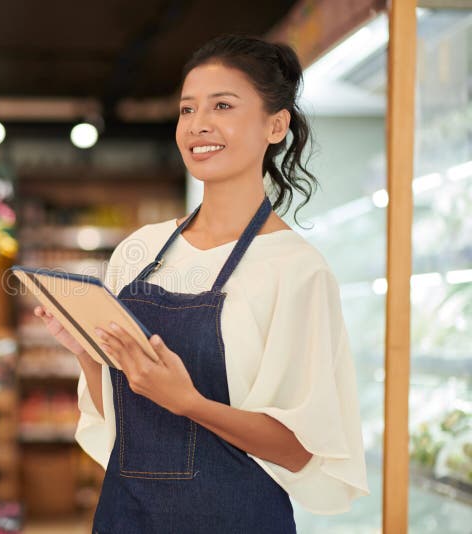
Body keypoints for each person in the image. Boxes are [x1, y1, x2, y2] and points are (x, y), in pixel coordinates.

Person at [34, 34, 369, 533]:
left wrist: (189, 403)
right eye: (187, 110)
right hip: (126, 518)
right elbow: (122, 427)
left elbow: (300, 448)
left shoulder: (296, 269)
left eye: (223, 106)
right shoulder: (140, 250)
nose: (198, 125)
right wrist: (85, 351)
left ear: (275, 125)